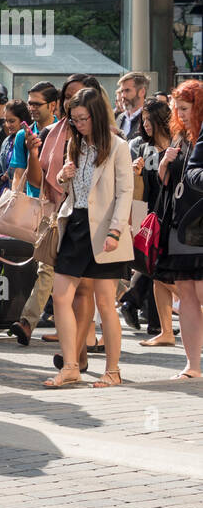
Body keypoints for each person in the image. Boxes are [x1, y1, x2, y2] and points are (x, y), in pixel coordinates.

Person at [45, 88, 133, 389]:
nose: (79, 124)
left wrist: (116, 231)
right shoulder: (75, 145)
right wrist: (63, 177)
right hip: (76, 224)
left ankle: (112, 370)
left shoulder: (119, 147)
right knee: (60, 295)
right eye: (75, 119)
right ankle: (70, 366)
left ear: (96, 116)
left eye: (83, 119)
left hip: (106, 228)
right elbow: (71, 189)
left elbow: (125, 193)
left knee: (106, 303)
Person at [10, 75, 90, 345]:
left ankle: (85, 337)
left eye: (37, 103)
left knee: (89, 284)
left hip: (86, 215)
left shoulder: (103, 136)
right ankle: (31, 322)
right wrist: (33, 154)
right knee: (48, 268)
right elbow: (32, 177)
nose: (32, 108)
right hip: (51, 211)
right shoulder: (44, 134)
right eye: (69, 96)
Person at [151, 81, 203, 377]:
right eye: (177, 110)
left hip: (199, 223)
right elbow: (168, 184)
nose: (180, 115)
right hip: (179, 222)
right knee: (185, 292)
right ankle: (192, 365)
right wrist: (163, 166)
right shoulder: (180, 137)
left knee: (199, 290)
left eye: (185, 109)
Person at [122, 99, 175, 340]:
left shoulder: (178, 147)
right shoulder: (143, 148)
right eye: (142, 120)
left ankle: (137, 304)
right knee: (153, 265)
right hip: (150, 213)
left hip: (172, 213)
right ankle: (156, 324)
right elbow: (140, 190)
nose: (145, 124)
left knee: (159, 268)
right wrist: (136, 172)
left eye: (148, 119)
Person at [117, 72, 149, 139]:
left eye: (127, 90)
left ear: (142, 92)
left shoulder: (150, 118)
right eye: (122, 91)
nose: (123, 95)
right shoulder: (119, 118)